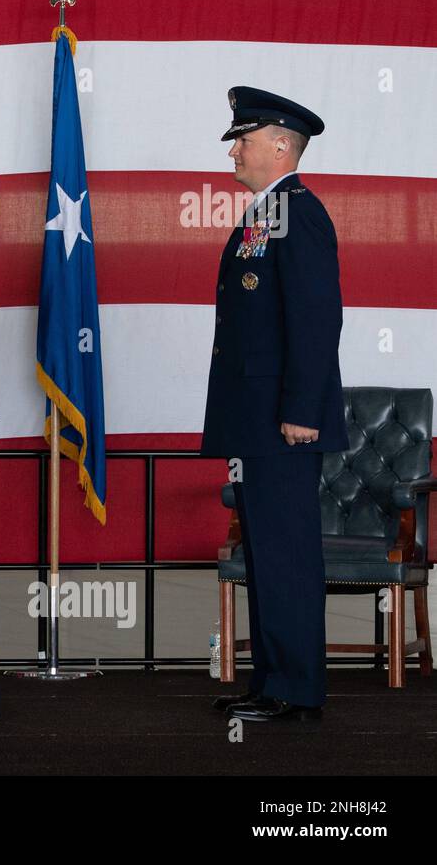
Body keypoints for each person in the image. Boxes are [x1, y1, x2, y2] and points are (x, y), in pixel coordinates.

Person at [203, 86, 347, 723]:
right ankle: (272, 681)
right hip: (254, 418)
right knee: (265, 553)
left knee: (287, 553)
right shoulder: (264, 214)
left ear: (282, 145)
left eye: (245, 138)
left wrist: (302, 408)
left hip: (285, 423)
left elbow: (316, 319)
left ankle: (296, 689)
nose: (234, 149)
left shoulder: (298, 212)